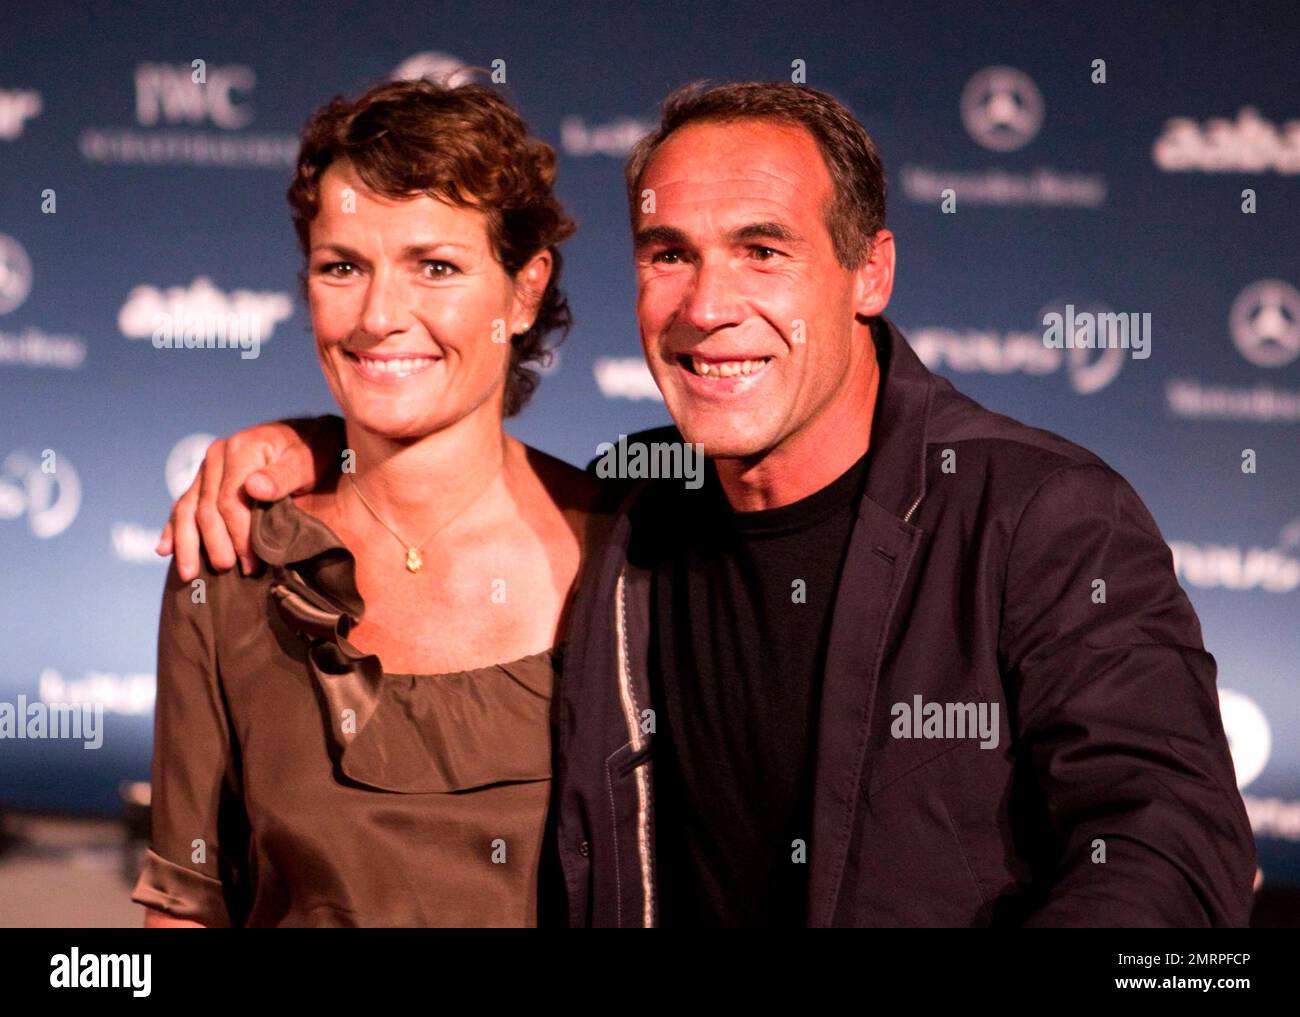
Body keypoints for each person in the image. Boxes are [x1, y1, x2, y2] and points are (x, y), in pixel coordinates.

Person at [161, 82, 1257, 928]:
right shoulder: (640, 511)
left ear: (869, 273)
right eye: (668, 255)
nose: (708, 306)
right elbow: (435, 448)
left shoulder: (1041, 516)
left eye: (761, 252)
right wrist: (302, 445)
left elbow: (1173, 850)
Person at [134, 77, 609, 927]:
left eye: (435, 267)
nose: (380, 316)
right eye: (343, 267)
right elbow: (186, 910)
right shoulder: (233, 556)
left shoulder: (627, 562)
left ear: (525, 289)